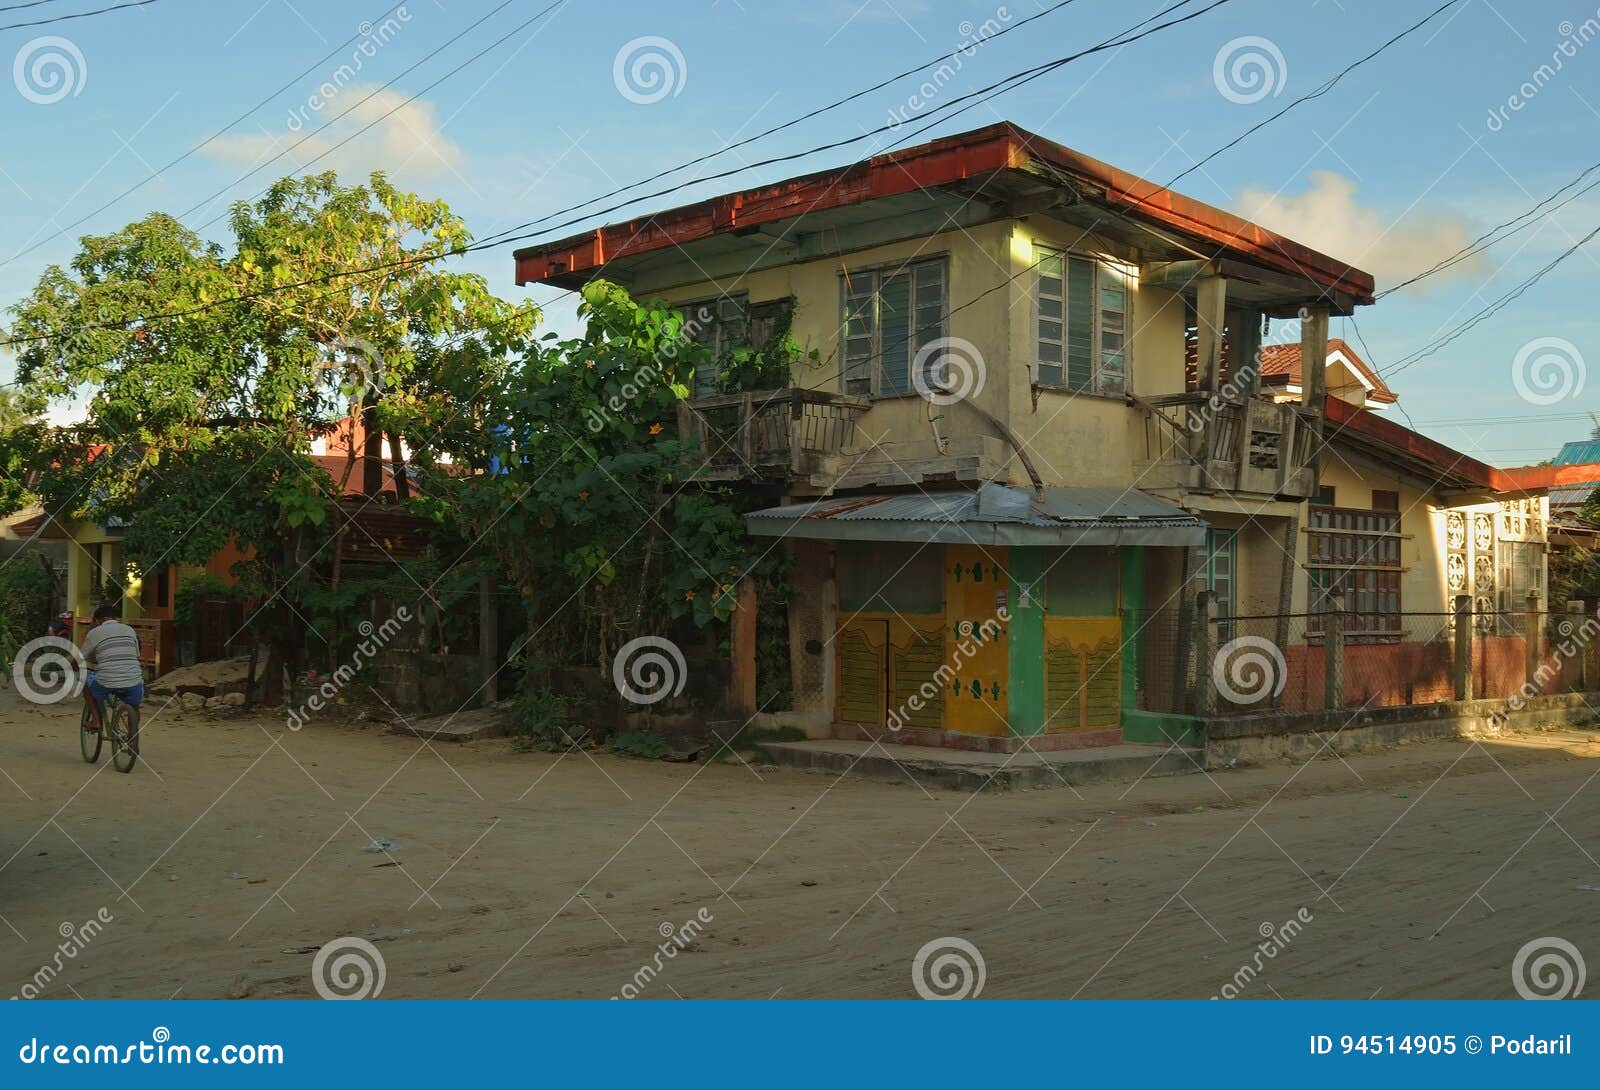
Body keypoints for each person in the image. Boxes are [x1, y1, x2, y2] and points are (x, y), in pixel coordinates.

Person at [80, 603, 143, 730]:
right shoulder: (129, 630)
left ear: (98, 620)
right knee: (134, 706)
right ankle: (132, 739)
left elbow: (81, 657)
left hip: (106, 680)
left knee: (86, 686)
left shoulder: (94, 632)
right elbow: (136, 654)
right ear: (115, 618)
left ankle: (96, 721)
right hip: (133, 679)